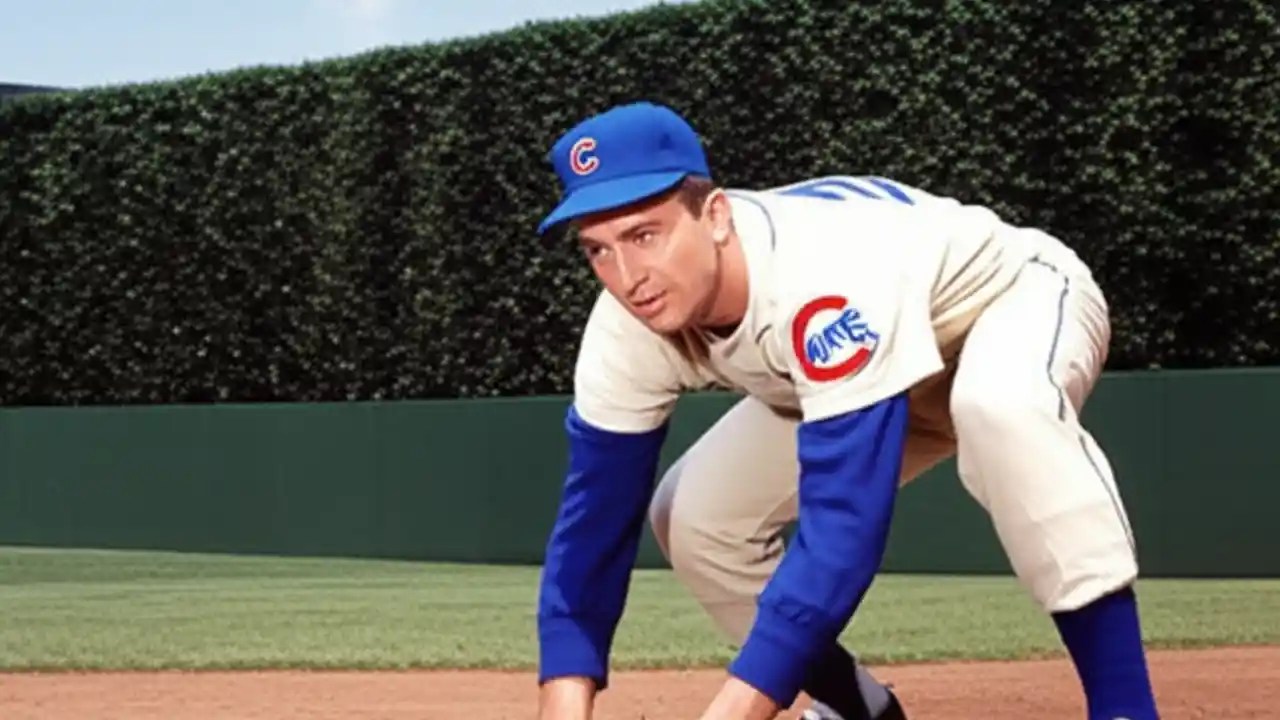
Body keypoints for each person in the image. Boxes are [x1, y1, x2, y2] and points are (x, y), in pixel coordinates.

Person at [532, 100, 1160, 720]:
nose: (627, 274)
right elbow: (593, 525)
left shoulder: (818, 275)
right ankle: (860, 708)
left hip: (1007, 304)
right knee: (693, 519)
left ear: (716, 215)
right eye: (599, 251)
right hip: (858, 385)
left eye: (645, 235)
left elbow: (843, 527)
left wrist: (733, 711)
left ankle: (1124, 706)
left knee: (1000, 406)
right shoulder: (625, 326)